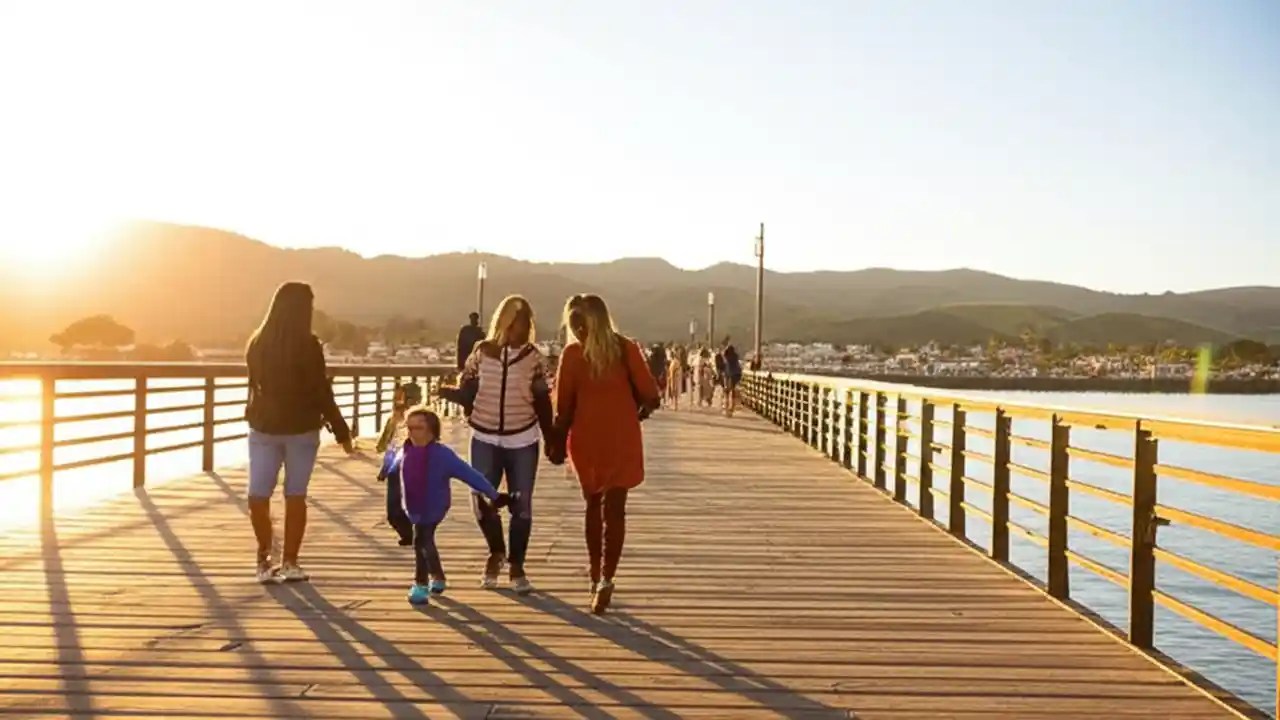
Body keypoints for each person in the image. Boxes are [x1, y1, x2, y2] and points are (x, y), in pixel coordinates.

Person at [548, 294, 659, 614]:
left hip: (586, 437)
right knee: (616, 510)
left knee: (593, 505)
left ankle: (595, 575)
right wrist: (636, 409)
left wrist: (555, 440)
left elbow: (563, 406)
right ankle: (606, 579)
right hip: (621, 435)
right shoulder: (625, 348)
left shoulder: (573, 354)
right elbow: (651, 394)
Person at [244, 281, 354, 584]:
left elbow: (254, 386)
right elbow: (321, 391)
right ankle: (290, 562)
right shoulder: (308, 345)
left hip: (263, 427)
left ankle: (264, 558)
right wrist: (341, 431)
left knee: (257, 494)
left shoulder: (257, 342)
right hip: (301, 429)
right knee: (295, 494)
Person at [458, 295, 554, 594]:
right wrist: (468, 408)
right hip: (484, 437)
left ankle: (517, 564)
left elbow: (543, 401)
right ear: (502, 322)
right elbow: (466, 383)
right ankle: (496, 552)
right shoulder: (481, 352)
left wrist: (553, 440)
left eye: (524, 323)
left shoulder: (534, 358)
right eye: (513, 323)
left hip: (523, 439)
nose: (518, 329)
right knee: (481, 500)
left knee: (521, 504)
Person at [384, 406, 512, 606]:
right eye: (409, 427)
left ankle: (420, 585)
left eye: (419, 428)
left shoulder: (442, 455)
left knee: (421, 541)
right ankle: (438, 577)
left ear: (432, 430)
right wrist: (386, 468)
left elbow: (470, 474)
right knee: (425, 541)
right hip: (413, 506)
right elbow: (393, 464)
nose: (412, 432)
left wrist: (493, 495)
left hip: (434, 505)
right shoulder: (405, 450)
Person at [722, 337, 743, 417]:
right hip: (735, 374)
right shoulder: (735, 356)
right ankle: (731, 407)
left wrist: (726, 344)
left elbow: (724, 353)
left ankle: (727, 408)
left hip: (729, 374)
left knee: (727, 391)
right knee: (732, 391)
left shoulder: (727, 357)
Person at [647, 343, 669, 407]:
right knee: (660, 387)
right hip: (657, 373)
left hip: (656, 374)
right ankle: (662, 401)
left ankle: (661, 401)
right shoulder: (660, 357)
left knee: (659, 387)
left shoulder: (653, 357)